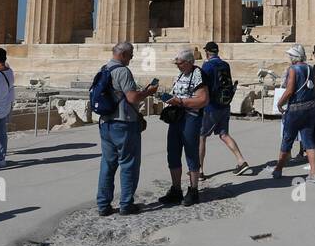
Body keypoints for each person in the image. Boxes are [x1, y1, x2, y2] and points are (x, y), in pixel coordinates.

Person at [95, 42, 157, 216]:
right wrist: (148, 92)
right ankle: (126, 204)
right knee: (128, 164)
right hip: (123, 124)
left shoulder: (103, 69)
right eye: (130, 55)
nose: (131, 58)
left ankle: (103, 205)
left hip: (105, 123)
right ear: (122, 55)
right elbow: (132, 97)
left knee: (107, 165)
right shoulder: (123, 71)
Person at [160, 49, 207, 206]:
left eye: (180, 63)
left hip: (191, 118)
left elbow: (203, 100)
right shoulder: (180, 75)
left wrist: (180, 102)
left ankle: (193, 190)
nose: (177, 66)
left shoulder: (197, 75)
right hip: (176, 118)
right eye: (176, 63)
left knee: (191, 152)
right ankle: (176, 189)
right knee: (172, 152)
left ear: (188, 62)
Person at [198, 42, 249, 176]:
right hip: (225, 105)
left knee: (201, 137)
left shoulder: (207, 66)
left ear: (207, 52)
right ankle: (241, 160)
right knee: (224, 134)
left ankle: (199, 170)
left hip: (211, 106)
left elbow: (202, 85)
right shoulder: (225, 65)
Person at [272, 45, 315, 182]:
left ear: (294, 57)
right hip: (311, 106)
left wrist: (280, 103)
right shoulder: (310, 68)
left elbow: (290, 90)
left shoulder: (293, 69)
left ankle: (278, 169)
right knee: (309, 139)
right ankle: (314, 173)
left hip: (296, 109)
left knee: (287, 139)